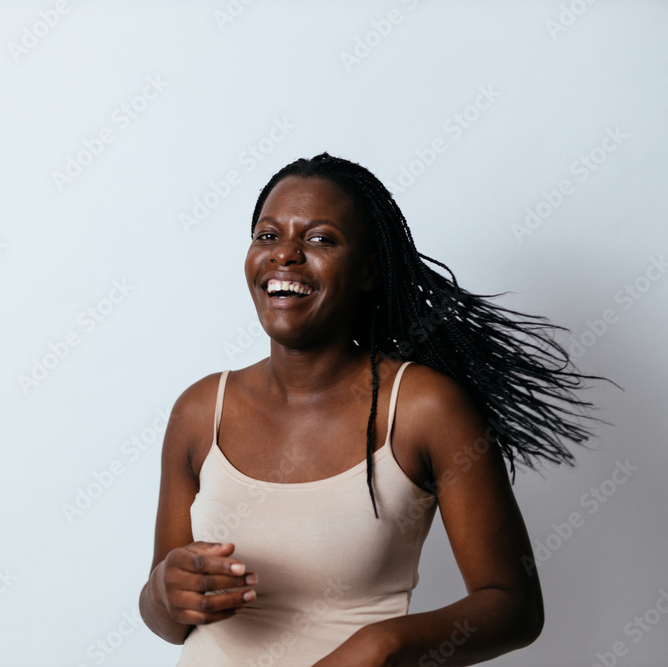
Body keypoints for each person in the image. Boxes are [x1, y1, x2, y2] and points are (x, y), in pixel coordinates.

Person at [138, 153, 615, 666]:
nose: (286, 256)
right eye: (268, 236)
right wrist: (166, 592)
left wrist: (382, 643)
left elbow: (514, 606)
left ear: (368, 271)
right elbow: (168, 623)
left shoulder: (424, 408)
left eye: (320, 239)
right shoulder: (199, 409)